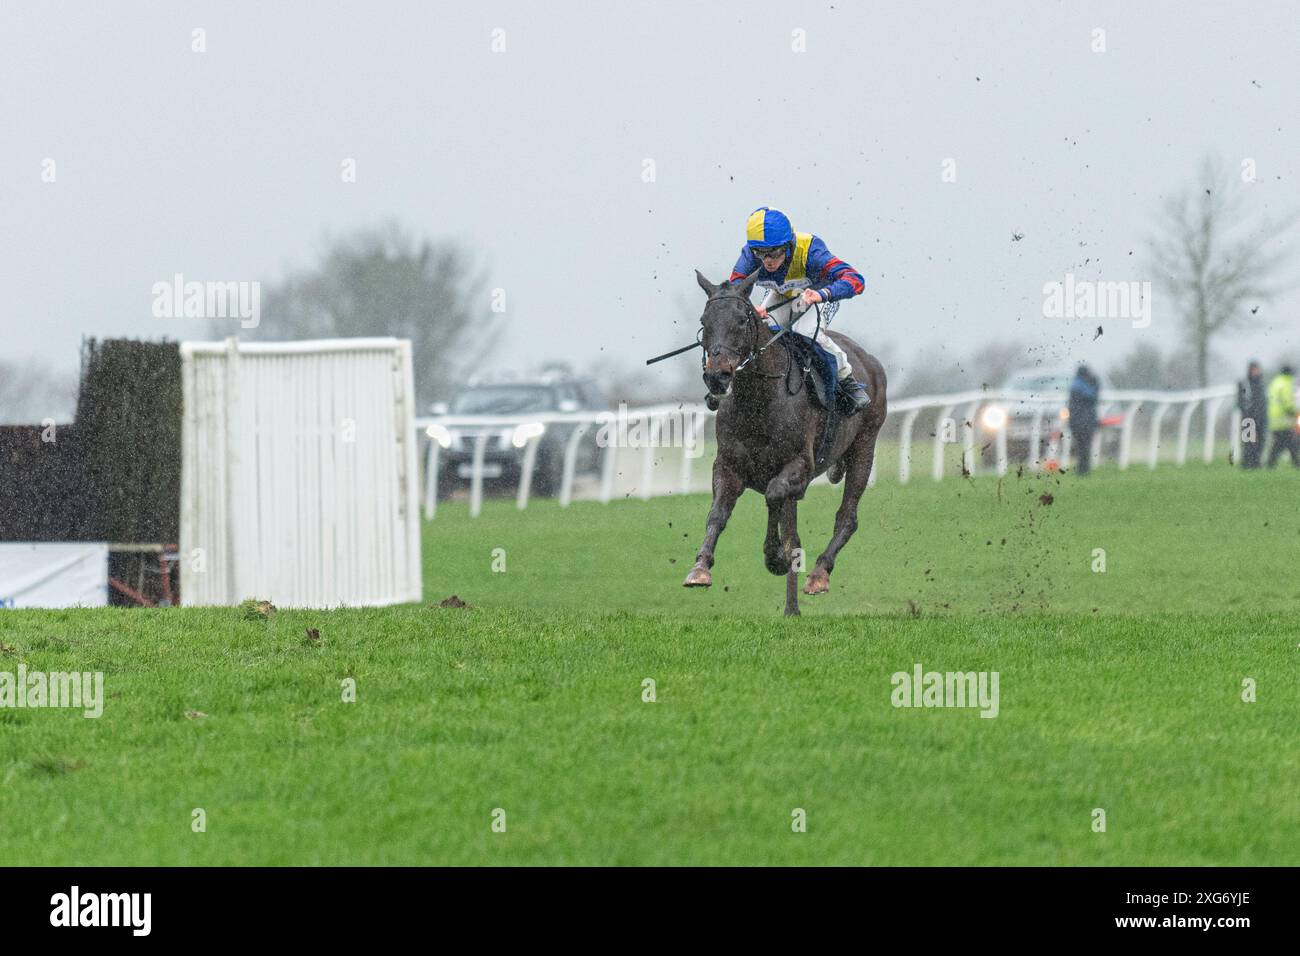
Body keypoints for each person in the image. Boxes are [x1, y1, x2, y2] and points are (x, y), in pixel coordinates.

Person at [718, 206, 871, 414]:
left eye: (773, 252)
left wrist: (821, 294)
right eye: (760, 253)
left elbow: (856, 280)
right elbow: (733, 293)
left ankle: (847, 380)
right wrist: (751, 308)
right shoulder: (749, 255)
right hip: (781, 293)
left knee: (807, 333)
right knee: (757, 333)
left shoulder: (812, 251)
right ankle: (726, 383)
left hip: (817, 295)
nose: (767, 261)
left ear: (788, 245)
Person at [1067, 364, 1100, 475]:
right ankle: (1084, 469)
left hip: (1075, 422)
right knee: (1085, 446)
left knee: (1080, 446)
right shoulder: (1084, 387)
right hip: (1085, 422)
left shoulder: (1074, 385)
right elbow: (1093, 397)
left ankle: (1082, 469)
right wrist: (1096, 384)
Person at [1265, 364, 1299, 468]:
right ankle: (1272, 463)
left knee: (1282, 442)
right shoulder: (1286, 383)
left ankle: (1294, 462)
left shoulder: (1275, 382)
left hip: (1274, 417)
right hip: (1283, 418)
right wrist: (1293, 412)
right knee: (1286, 441)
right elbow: (1287, 402)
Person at [1237, 360, 1268, 468]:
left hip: (1261, 418)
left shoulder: (1261, 383)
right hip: (1249, 418)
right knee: (1249, 443)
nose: (1256, 372)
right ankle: (1246, 464)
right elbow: (1241, 401)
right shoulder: (1244, 383)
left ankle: (1256, 463)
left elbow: (1263, 402)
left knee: (1261, 442)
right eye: (1254, 369)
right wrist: (1248, 414)